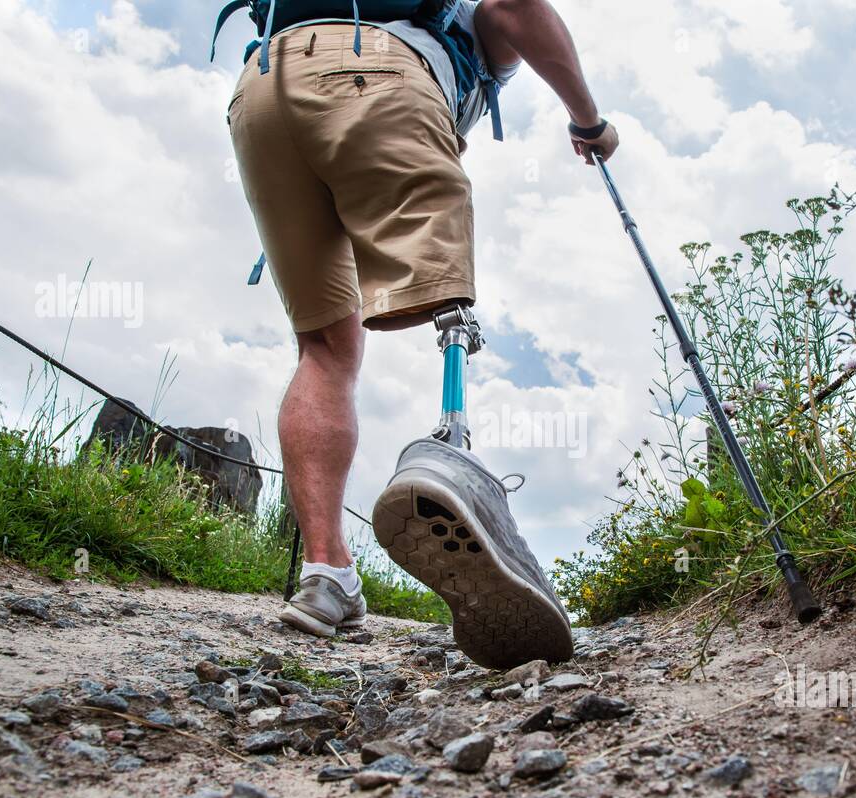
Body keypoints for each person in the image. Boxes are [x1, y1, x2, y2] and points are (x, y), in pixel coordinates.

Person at [223, 0, 618, 665]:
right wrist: (590, 121)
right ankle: (453, 460)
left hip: (261, 93)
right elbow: (516, 8)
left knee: (325, 349)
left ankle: (327, 576)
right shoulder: (459, 16)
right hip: (374, 76)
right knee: (444, 291)